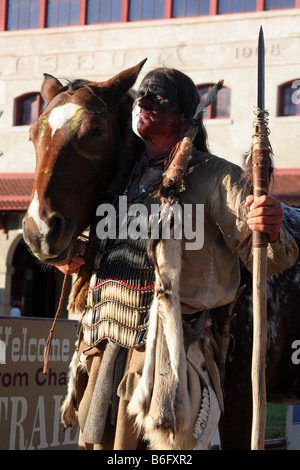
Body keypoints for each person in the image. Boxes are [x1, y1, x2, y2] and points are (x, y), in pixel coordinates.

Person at [58, 67, 298, 450]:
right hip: (106, 342)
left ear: (184, 116)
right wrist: (73, 257)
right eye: (143, 96)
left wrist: (267, 228)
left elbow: (271, 258)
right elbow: (81, 241)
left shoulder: (215, 177)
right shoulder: (118, 177)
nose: (145, 101)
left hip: (170, 351)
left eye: (159, 98)